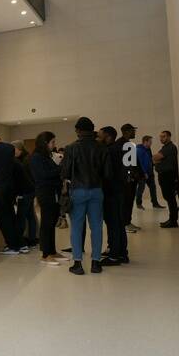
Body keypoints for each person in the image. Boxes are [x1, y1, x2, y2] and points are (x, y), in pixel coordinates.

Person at [60, 117, 109, 275]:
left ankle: (78, 264)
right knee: (96, 227)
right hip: (96, 190)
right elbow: (107, 173)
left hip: (78, 191)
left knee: (76, 227)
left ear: (78, 130)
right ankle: (96, 263)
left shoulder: (71, 148)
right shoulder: (102, 147)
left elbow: (65, 172)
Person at [0, 135, 28, 255]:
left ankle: (12, 246)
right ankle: (21, 244)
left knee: (3, 217)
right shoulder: (10, 148)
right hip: (11, 187)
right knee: (11, 215)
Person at [30, 132, 68, 265]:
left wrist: (59, 169)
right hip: (45, 193)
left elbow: (53, 172)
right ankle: (45, 255)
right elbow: (44, 175)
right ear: (45, 143)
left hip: (53, 193)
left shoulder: (46, 156)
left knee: (52, 223)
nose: (54, 145)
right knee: (46, 224)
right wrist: (61, 168)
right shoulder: (36, 157)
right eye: (52, 142)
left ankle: (52, 251)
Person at [98, 126, 128, 266]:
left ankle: (114, 255)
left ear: (108, 136)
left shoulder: (110, 151)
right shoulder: (118, 148)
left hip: (111, 192)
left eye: (100, 135)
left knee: (113, 223)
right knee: (118, 223)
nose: (98, 138)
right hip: (118, 190)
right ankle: (121, 253)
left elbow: (107, 174)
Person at [12, 140, 38, 248]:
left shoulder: (23, 161)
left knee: (22, 216)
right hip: (31, 190)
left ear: (19, 149)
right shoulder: (28, 158)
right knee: (30, 215)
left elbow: (22, 179)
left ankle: (20, 240)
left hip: (25, 191)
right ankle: (32, 238)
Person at [154, 130, 179, 228]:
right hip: (164, 176)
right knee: (169, 198)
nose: (162, 138)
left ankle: (173, 221)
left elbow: (156, 157)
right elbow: (156, 159)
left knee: (170, 198)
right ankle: (171, 219)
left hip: (168, 176)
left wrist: (157, 161)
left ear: (169, 137)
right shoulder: (165, 147)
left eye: (164, 136)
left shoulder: (170, 147)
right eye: (160, 137)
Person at [119, 123, 142, 233]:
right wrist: (129, 176)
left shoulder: (128, 144)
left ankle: (127, 221)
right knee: (126, 201)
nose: (134, 132)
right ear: (126, 131)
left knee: (129, 201)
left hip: (130, 179)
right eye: (133, 130)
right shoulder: (122, 144)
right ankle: (125, 223)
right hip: (127, 180)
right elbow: (125, 164)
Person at [135, 135, 164, 210]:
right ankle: (139, 203)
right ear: (145, 141)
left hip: (150, 172)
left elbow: (149, 159)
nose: (151, 143)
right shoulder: (139, 150)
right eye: (150, 142)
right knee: (141, 188)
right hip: (143, 173)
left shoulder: (148, 149)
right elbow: (140, 163)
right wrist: (144, 173)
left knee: (153, 188)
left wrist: (153, 164)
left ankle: (155, 203)